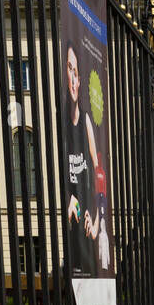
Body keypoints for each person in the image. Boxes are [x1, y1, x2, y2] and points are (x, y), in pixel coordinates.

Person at [64, 43, 101, 276]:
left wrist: (97, 223)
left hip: (87, 233)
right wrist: (68, 198)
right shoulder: (63, 124)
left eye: (76, 72)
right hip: (70, 231)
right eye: (69, 69)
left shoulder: (86, 121)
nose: (74, 77)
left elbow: (99, 175)